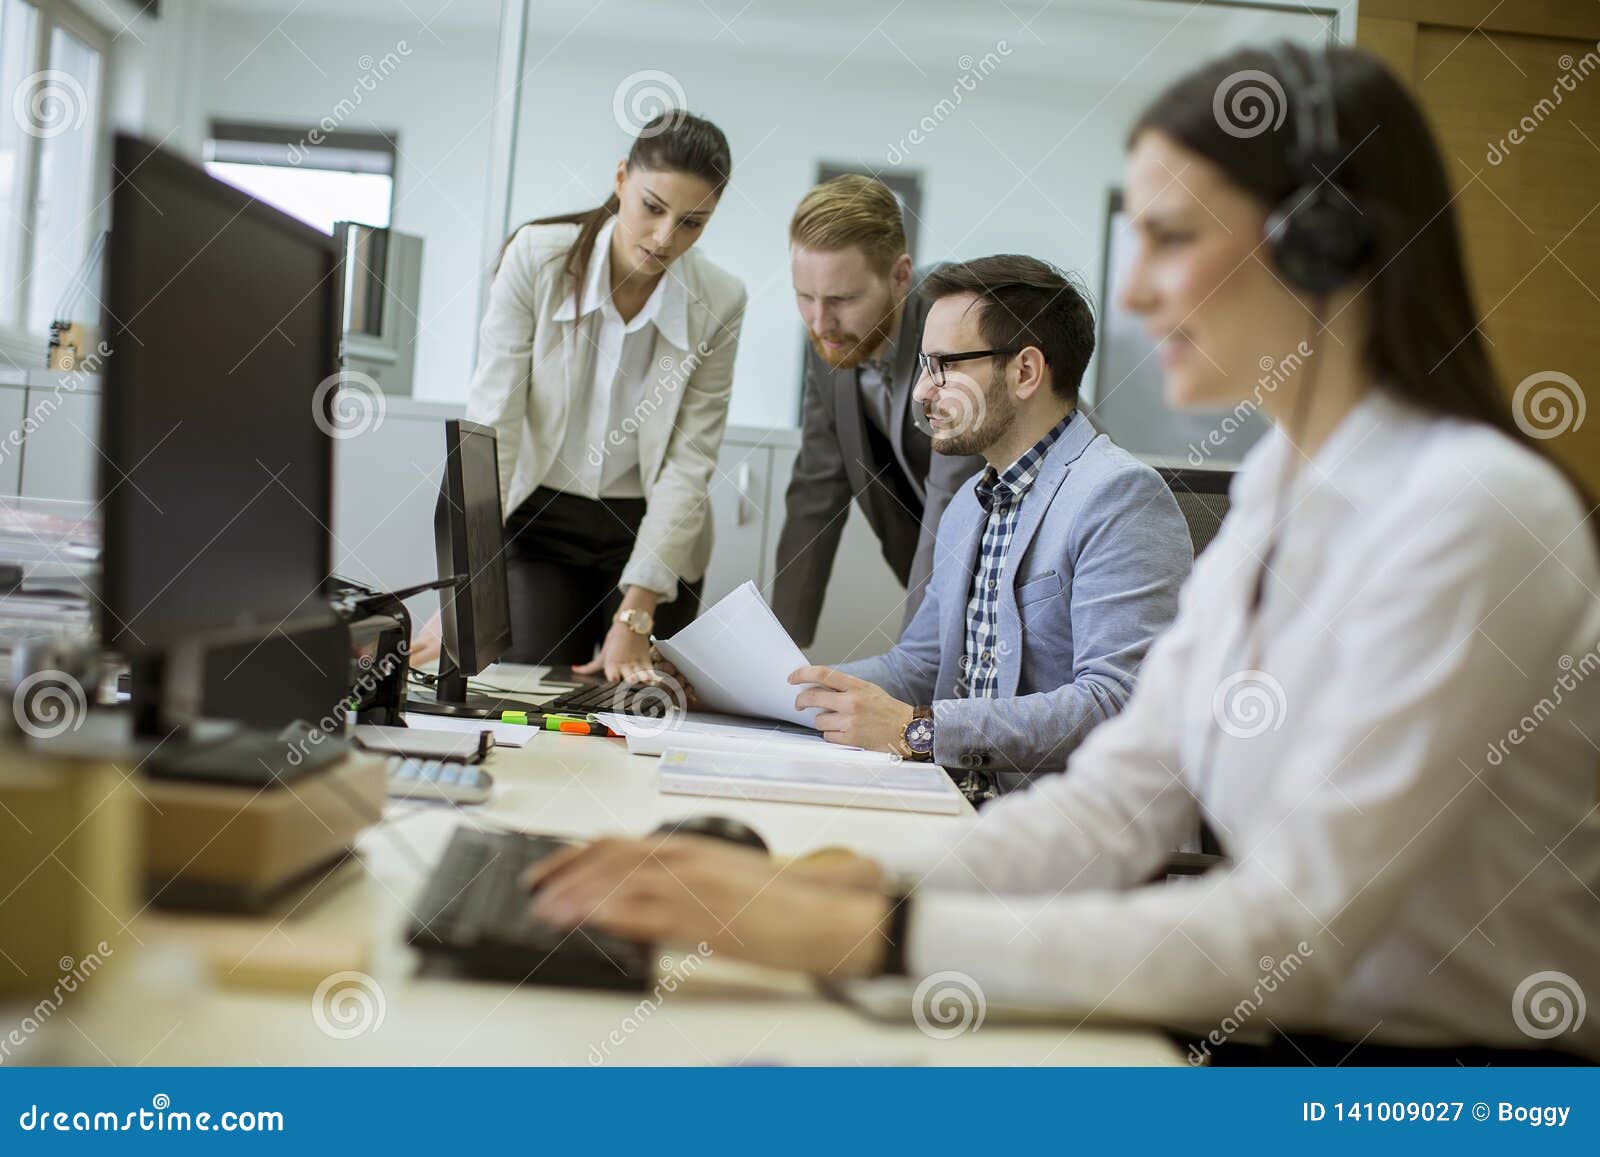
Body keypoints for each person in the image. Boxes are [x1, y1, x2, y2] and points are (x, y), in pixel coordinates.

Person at [519, 44, 1600, 1063]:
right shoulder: (1282, 489)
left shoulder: (1470, 509)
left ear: (1322, 246)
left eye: (1172, 237)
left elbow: (1290, 932)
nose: (1130, 293)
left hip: (1454, 1077)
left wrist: (871, 930)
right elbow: (1123, 798)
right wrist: (835, 881)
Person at [787, 255, 1191, 795]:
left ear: (1025, 372)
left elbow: (1117, 702)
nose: (923, 393)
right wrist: (788, 691)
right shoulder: (969, 506)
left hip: (1053, 832)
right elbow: (921, 665)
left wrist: (919, 730)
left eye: (945, 366)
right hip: (957, 803)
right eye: (925, 366)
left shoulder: (1119, 497)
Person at [410, 111, 746, 681]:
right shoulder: (535, 259)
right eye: (653, 208)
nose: (666, 239)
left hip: (653, 530)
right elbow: (493, 429)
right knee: (522, 688)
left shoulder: (721, 299)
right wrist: (461, 597)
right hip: (540, 518)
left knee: (637, 704)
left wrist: (636, 613)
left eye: (692, 223)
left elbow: (690, 462)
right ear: (621, 179)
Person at [772, 175, 983, 647]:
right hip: (950, 577)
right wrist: (775, 655)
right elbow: (816, 488)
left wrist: (913, 659)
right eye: (805, 297)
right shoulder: (829, 339)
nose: (820, 321)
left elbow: (952, 501)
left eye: (843, 299)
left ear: (900, 275)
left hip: (1045, 563)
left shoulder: (956, 318)